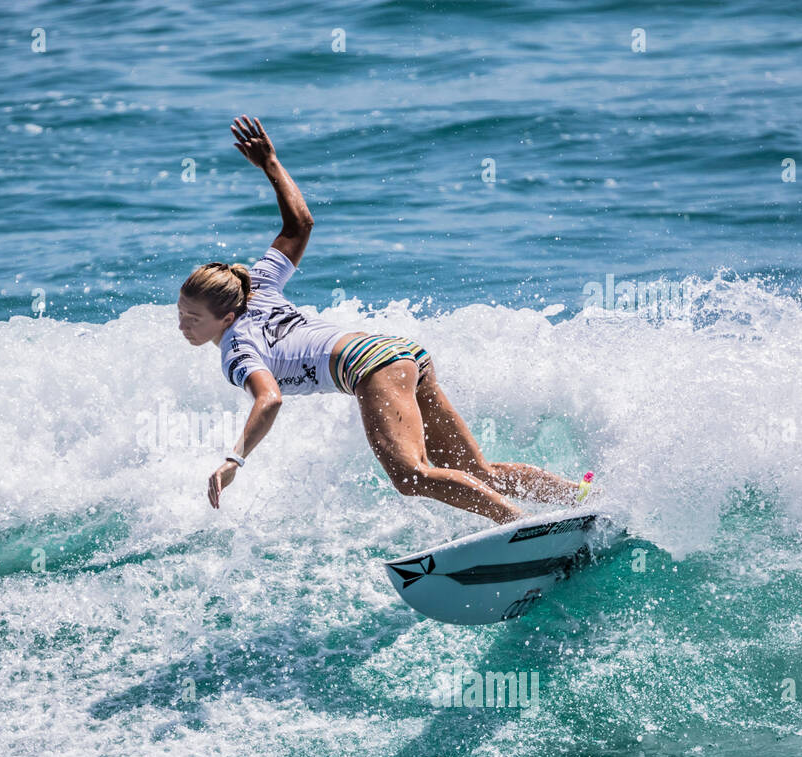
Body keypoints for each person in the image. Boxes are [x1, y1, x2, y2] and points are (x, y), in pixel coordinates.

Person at [177, 116, 580, 523]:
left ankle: (521, 526)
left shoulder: (236, 348)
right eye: (180, 313)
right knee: (478, 471)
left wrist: (235, 459)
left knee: (410, 476)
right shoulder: (256, 285)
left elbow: (270, 398)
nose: (183, 326)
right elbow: (300, 225)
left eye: (193, 318)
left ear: (226, 316)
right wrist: (271, 165)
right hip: (401, 353)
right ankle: (582, 496)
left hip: (372, 367)